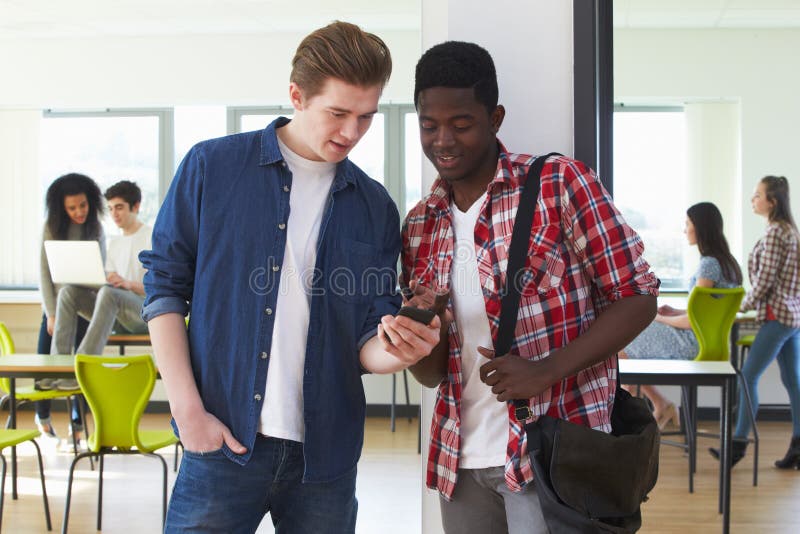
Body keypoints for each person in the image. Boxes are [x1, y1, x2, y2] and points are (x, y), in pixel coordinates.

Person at [139, 21, 440, 533]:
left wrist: (400, 349)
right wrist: (188, 415)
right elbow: (164, 289)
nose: (351, 133)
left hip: (325, 462)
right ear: (297, 96)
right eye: (338, 113)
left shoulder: (374, 206)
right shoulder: (212, 167)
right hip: (221, 444)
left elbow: (366, 339)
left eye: (366, 117)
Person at [401, 41, 659, 534]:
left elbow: (638, 296)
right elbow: (432, 375)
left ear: (495, 117)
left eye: (461, 123)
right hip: (461, 457)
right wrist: (415, 336)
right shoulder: (420, 225)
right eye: (429, 125)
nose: (443, 141)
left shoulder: (558, 184)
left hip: (554, 454)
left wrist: (546, 370)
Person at [620, 202, 742, 429]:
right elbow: (705, 312)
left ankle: (635, 418)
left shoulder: (708, 265)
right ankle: (655, 405)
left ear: (701, 227)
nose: (685, 229)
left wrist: (658, 318)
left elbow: (691, 322)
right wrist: (675, 311)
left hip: (693, 343)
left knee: (621, 343)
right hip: (709, 341)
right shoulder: (728, 263)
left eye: (688, 224)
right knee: (625, 343)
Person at [709, 176, 800, 468]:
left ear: (773, 202)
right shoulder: (789, 230)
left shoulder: (775, 233)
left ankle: (737, 444)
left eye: (757, 195)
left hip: (778, 316)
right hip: (792, 316)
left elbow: (764, 282)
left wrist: (740, 307)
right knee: (793, 380)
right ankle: (798, 445)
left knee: (747, 377)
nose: (753, 200)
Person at [51, 180, 151, 375]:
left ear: (136, 206)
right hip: (117, 313)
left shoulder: (151, 237)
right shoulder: (114, 243)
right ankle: (59, 370)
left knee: (108, 293)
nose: (114, 214)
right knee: (67, 292)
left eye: (119, 208)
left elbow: (160, 289)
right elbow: (110, 288)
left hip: (144, 313)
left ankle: (83, 367)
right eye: (111, 208)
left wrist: (128, 284)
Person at [36, 172, 105, 439]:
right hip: (55, 307)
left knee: (81, 368)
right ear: (61, 208)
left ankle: (78, 424)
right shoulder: (51, 227)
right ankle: (42, 416)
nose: (79, 212)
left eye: (83, 206)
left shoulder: (95, 228)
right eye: (72, 208)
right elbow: (44, 272)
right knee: (48, 362)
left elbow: (98, 272)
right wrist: (51, 313)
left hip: (83, 306)